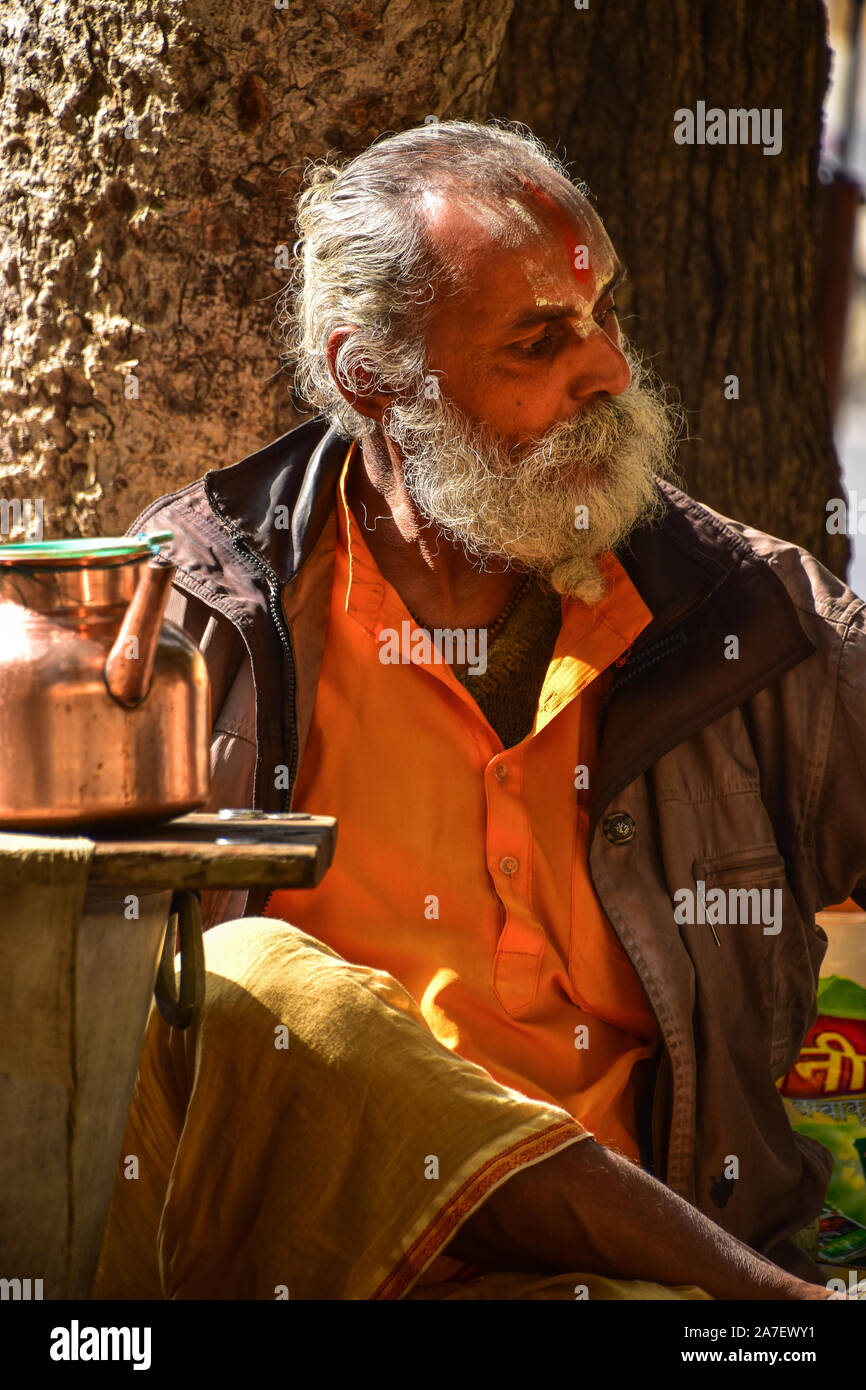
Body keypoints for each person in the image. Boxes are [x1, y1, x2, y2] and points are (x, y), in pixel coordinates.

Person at [101, 119, 866, 1299]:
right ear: (372, 375)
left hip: (654, 1290)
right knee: (258, 970)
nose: (605, 366)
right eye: (538, 337)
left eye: (604, 313)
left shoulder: (747, 618)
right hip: (317, 1272)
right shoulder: (194, 623)